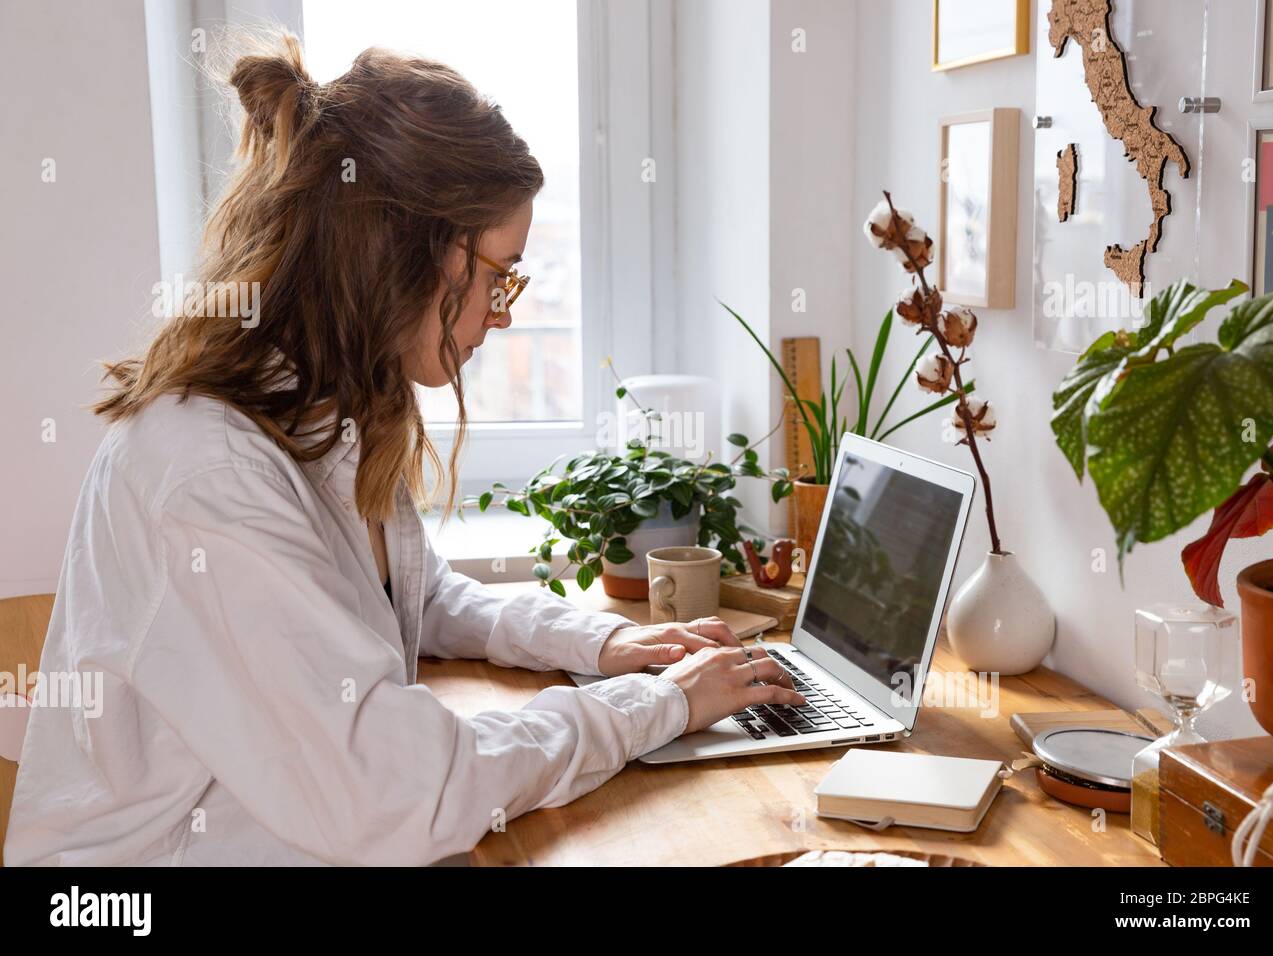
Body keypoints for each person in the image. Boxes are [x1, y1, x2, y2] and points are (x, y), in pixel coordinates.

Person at [4, 34, 802, 866]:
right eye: (500, 276)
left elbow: (408, 597)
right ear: (402, 250)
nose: (504, 313)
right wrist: (652, 707)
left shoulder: (329, 407)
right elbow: (406, 793)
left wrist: (594, 645)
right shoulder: (207, 472)